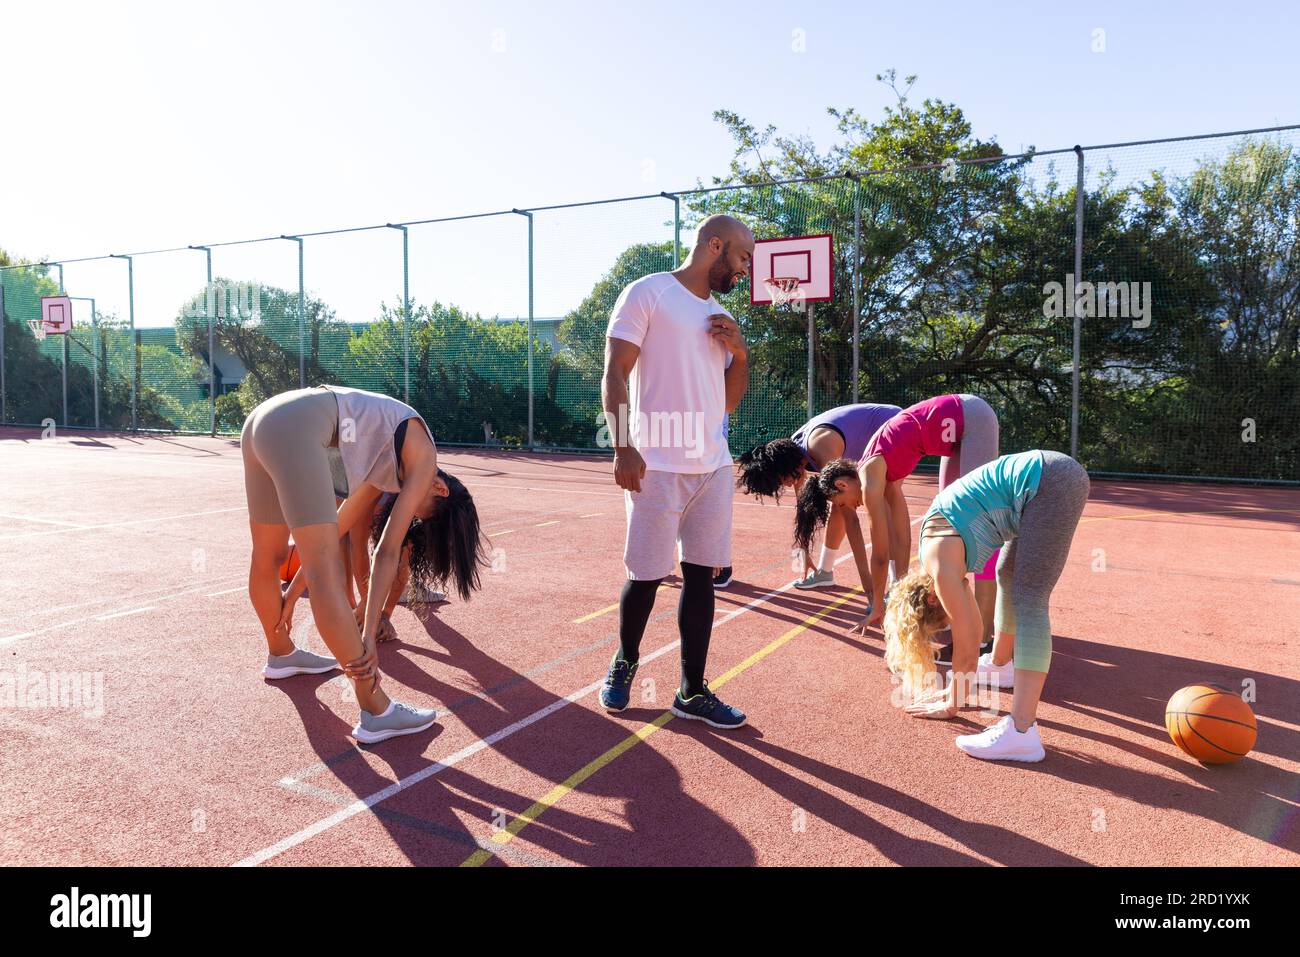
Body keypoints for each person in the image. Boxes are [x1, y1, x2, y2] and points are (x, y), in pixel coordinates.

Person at [241, 384, 488, 744]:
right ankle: (376, 709)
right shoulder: (424, 461)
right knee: (328, 574)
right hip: (294, 429)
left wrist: (292, 594)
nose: (414, 519)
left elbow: (338, 524)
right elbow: (385, 552)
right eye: (424, 518)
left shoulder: (385, 455)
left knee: (268, 555)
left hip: (263, 421)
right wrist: (368, 636)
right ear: (440, 489)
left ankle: (281, 653)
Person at [597, 214, 753, 729]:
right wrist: (624, 446)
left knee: (701, 577)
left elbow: (729, 403)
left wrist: (741, 353)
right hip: (657, 464)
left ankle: (692, 689)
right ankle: (625, 662)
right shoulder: (648, 293)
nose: (745, 269)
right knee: (645, 576)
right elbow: (615, 372)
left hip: (712, 466)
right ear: (715, 246)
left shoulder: (722, 316)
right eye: (742, 257)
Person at [882, 450, 1090, 762]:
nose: (950, 621)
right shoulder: (935, 553)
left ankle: (1021, 733)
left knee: (1031, 597)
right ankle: (1000, 664)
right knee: (1006, 573)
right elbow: (976, 629)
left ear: (931, 599)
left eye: (942, 622)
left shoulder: (941, 566)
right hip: (1048, 477)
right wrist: (955, 685)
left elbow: (968, 642)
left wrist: (952, 703)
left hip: (1048, 482)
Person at [792, 394, 1000, 638]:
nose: (851, 506)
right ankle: (951, 612)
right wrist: (899, 598)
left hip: (972, 418)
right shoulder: (887, 479)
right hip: (954, 435)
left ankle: (984, 635)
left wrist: (877, 605)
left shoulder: (870, 480)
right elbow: (901, 542)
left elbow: (880, 557)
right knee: (947, 522)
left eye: (841, 503)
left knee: (975, 520)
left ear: (842, 484)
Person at [735, 403, 901, 589]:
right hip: (869, 439)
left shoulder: (821, 448)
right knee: (838, 502)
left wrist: (868, 588)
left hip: (893, 425)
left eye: (783, 480)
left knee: (883, 502)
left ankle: (897, 584)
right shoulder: (794, 457)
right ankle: (825, 572)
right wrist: (802, 553)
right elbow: (803, 512)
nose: (787, 485)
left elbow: (852, 521)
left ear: (786, 468)